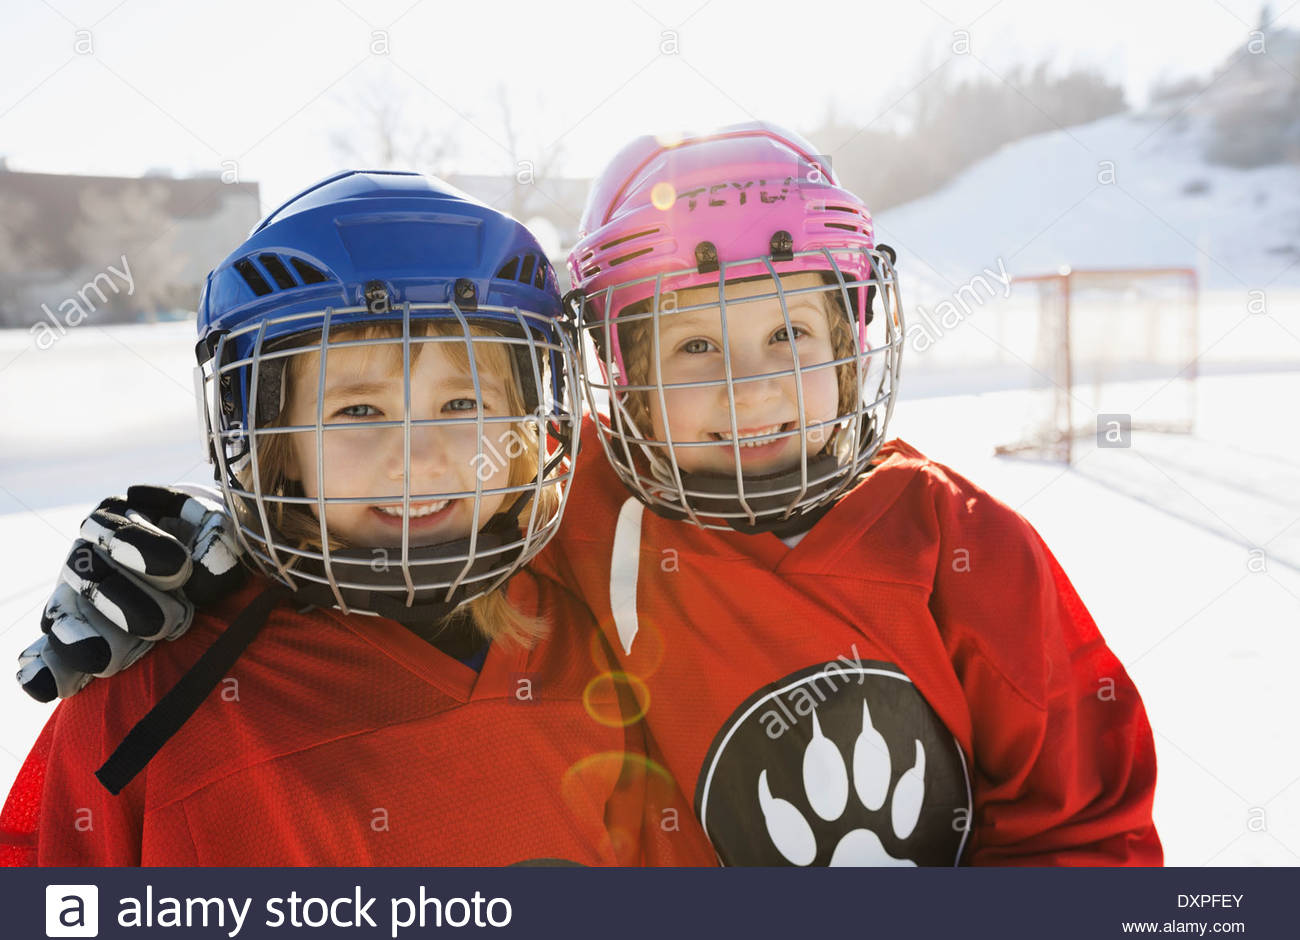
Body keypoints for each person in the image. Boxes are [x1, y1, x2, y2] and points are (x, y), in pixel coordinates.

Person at [13, 125, 1163, 868]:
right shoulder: (576, 507)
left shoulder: (962, 544)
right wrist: (210, 543)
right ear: (623, 371)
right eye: (696, 350)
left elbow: (1094, 831)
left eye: (788, 334)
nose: (755, 385)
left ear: (855, 337)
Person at [1, 170, 711, 867]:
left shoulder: (605, 621)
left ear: (527, 427)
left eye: (464, 405)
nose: (420, 460)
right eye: (359, 411)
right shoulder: (153, 702)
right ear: (276, 441)